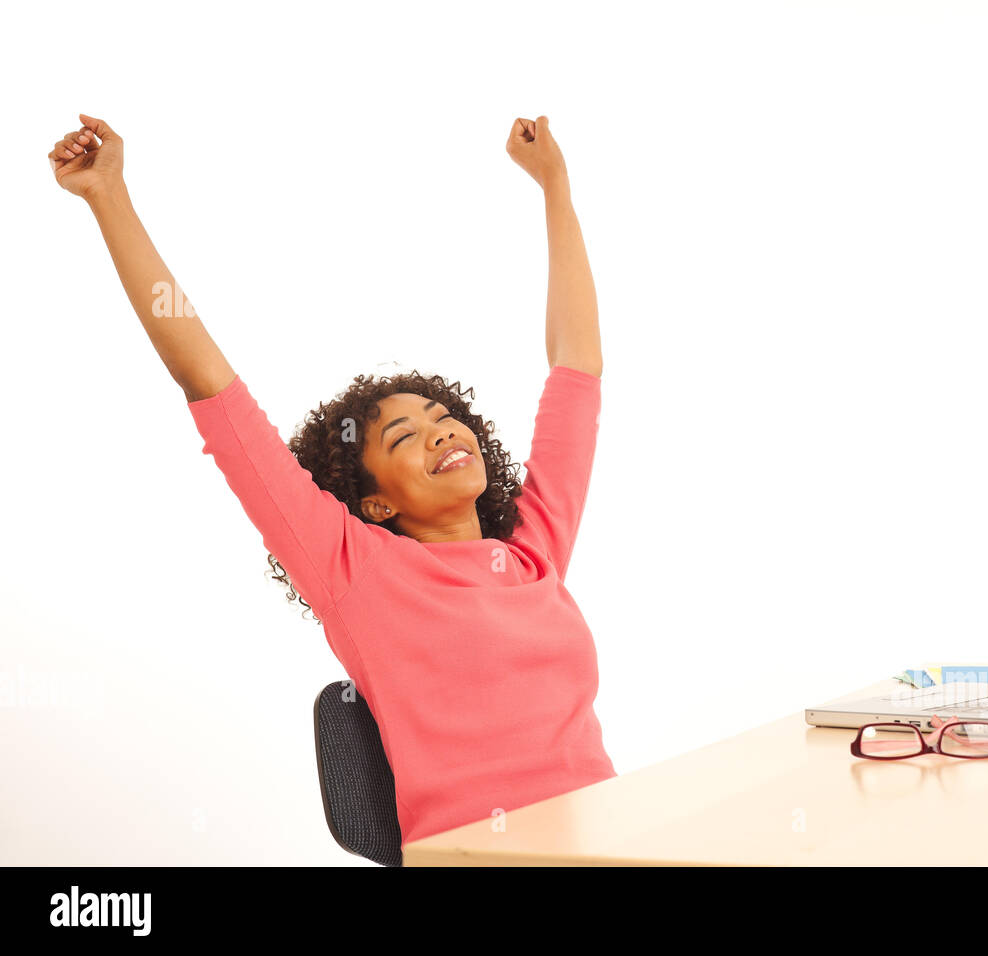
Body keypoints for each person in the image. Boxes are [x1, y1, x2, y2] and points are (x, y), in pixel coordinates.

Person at [49, 113, 615, 850]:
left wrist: (555, 187)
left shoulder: (533, 553)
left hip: (612, 840)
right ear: (373, 500)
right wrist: (109, 197)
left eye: (444, 416)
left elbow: (577, 366)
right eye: (406, 436)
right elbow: (207, 380)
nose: (443, 430)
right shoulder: (356, 569)